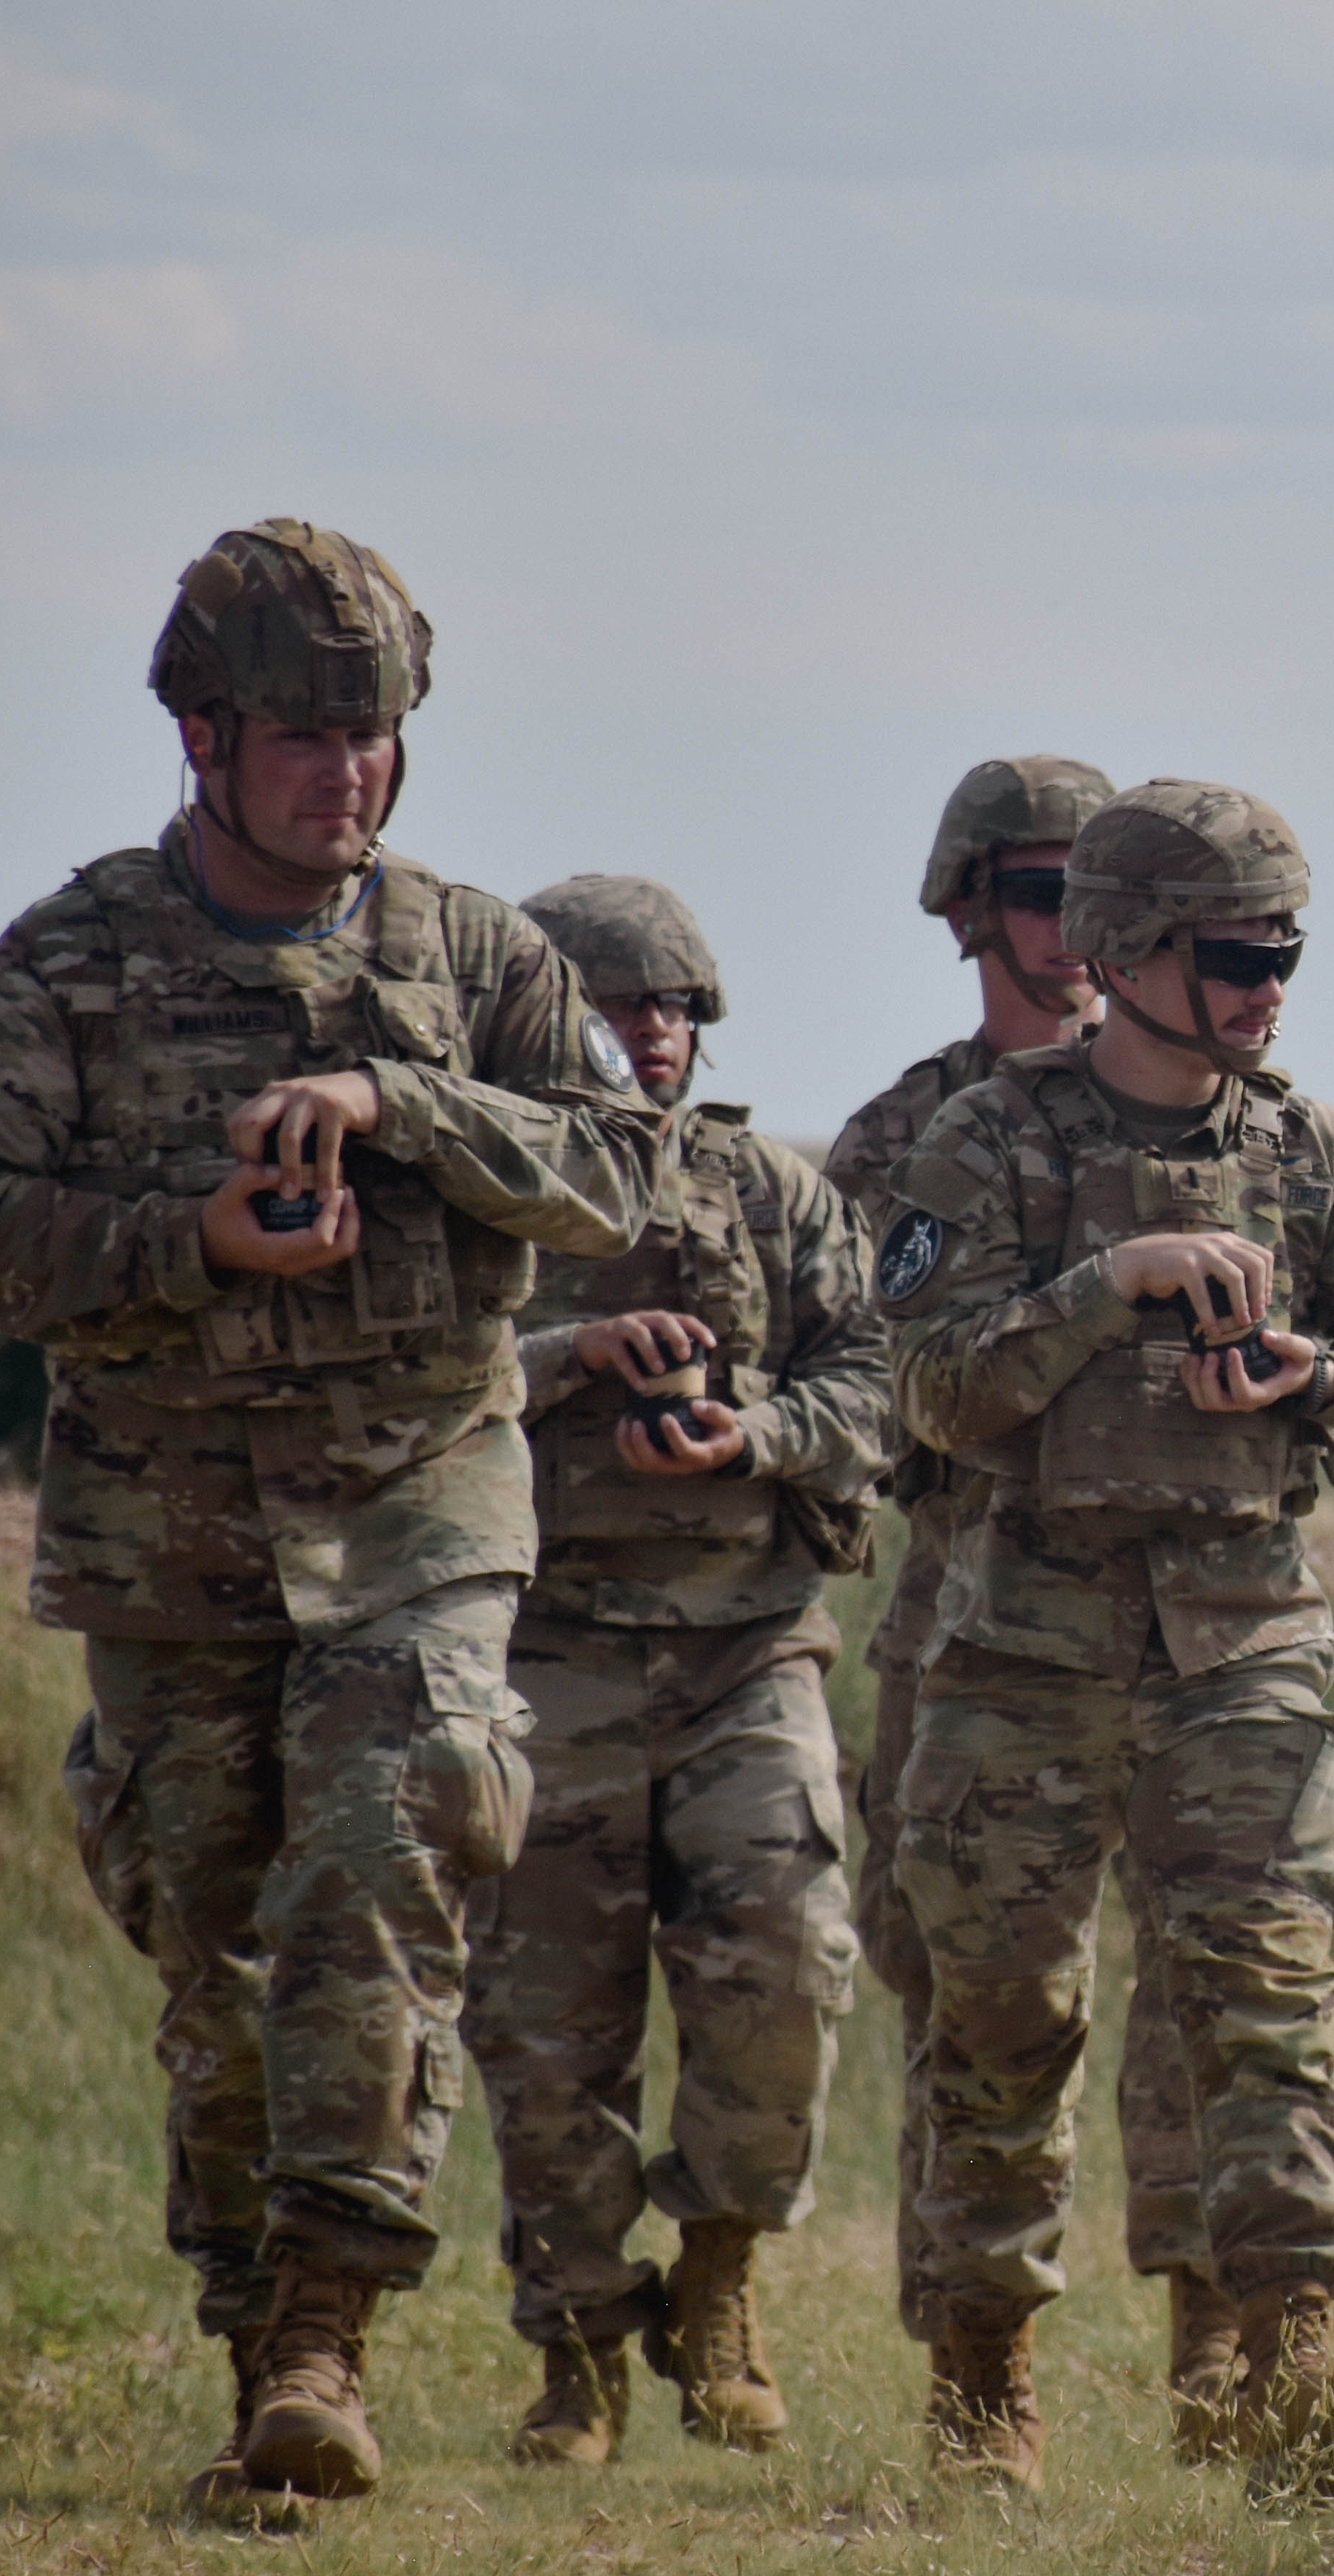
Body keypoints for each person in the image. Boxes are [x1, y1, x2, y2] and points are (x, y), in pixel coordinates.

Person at [0, 518, 662, 2513]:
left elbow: (612, 1180)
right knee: (217, 1948)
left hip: (421, 1500)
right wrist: (183, 1239)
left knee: (389, 1852)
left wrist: (406, 1106)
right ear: (204, 735)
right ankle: (259, 2336)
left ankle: (329, 2328)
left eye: (376, 730)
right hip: (169, 1531)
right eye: (305, 732)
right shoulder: (69, 960)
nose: (348, 771)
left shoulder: (478, 961)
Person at [876, 776, 1334, 2498]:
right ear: (1124, 948)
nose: (1268, 982)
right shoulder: (981, 1146)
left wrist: (1317, 1373)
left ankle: (1289, 2377)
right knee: (998, 2019)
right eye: (1233, 951)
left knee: (1266, 2000)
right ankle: (983, 2389)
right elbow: (927, 1383)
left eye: (1285, 950)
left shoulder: (1318, 1157)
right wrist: (1107, 1283)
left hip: (1243, 1644)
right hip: (1021, 1644)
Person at [824, 756, 1236, 2451]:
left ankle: (1216, 2335)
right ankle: (972, 2353)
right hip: (968, 1590)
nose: (1064, 931)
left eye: (1093, 895)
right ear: (966, 908)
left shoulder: (1227, 1112)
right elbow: (866, 1377)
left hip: (1183, 1606)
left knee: (1212, 1972)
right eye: (1031, 891)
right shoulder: (909, 1136)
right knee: (968, 1977)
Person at [462, 873, 881, 2467]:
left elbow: (876, 1379)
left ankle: (718, 2285)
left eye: (676, 1008)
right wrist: (577, 1355)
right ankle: (574, 2349)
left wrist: (752, 1426)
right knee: (543, 2020)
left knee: (782, 1964)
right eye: (617, 1004)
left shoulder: (774, 1192)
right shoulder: (481, 1187)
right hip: (540, 1647)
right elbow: (404, 1384)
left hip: (746, 1647)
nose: (651, 1034)